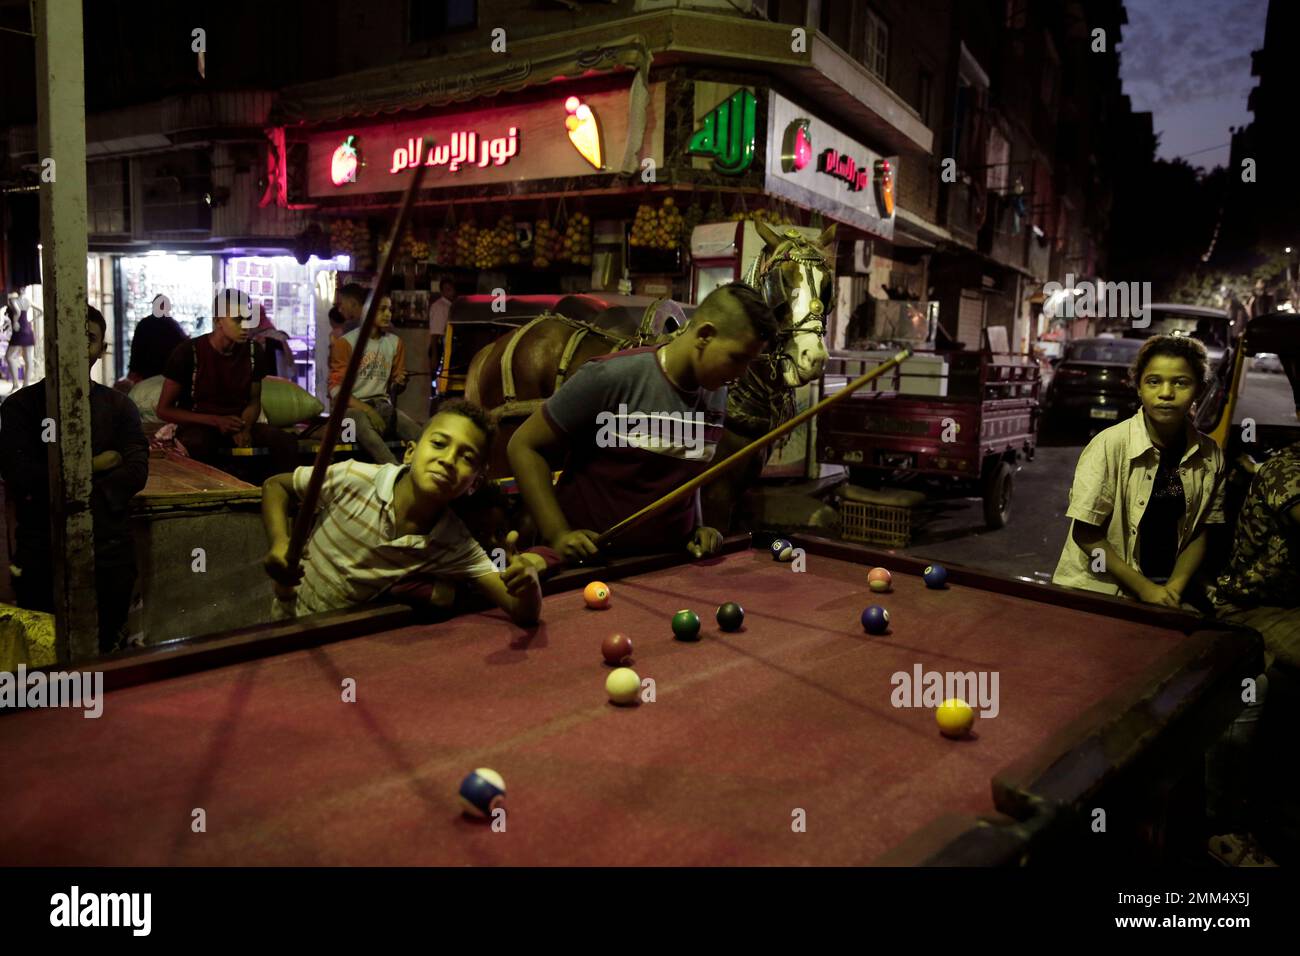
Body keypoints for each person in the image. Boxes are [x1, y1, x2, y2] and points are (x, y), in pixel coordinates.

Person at [507, 282, 778, 567]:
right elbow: (523, 446)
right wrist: (558, 534)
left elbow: (687, 468)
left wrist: (698, 526)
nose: (741, 374)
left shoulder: (716, 392)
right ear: (705, 335)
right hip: (592, 567)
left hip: (666, 566)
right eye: (737, 359)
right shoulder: (610, 377)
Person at [261, 399, 541, 626]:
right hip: (287, 621)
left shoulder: (454, 542)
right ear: (410, 452)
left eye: (466, 458)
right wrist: (280, 541)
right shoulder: (353, 477)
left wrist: (529, 587)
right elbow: (275, 486)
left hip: (346, 637)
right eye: (439, 444)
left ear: (474, 483)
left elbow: (521, 611)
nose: (447, 460)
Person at [0, 306, 149, 652]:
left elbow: (136, 471)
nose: (78, 344)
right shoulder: (21, 407)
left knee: (106, 652)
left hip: (109, 549)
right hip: (42, 550)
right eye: (70, 334)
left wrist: (66, 487)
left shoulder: (119, 406)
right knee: (43, 651)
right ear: (51, 343)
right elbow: (23, 477)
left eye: (89, 338)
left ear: (102, 349)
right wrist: (97, 464)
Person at [1052, 334, 1225, 606]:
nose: (1166, 393)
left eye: (1180, 382)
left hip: (1166, 588)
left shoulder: (1211, 454)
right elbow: (1085, 533)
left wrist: (1173, 589)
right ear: (1139, 388)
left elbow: (1201, 530)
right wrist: (1144, 590)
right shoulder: (1109, 446)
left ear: (1199, 390)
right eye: (1154, 382)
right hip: (1100, 589)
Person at [156, 289, 298, 475]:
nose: (246, 326)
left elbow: (254, 401)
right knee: (199, 443)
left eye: (249, 319)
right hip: (200, 426)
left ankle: (279, 495)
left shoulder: (254, 351)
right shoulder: (188, 352)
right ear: (218, 321)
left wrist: (245, 427)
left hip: (236, 424)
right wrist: (215, 421)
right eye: (238, 320)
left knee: (285, 442)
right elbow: (164, 409)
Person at [328, 293, 421, 464]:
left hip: (381, 406)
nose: (388, 314)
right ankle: (395, 471)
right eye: (382, 309)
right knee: (362, 425)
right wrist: (368, 410)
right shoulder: (345, 343)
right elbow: (335, 390)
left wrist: (400, 382)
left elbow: (396, 385)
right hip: (348, 411)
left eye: (390, 310)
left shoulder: (395, 343)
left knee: (419, 434)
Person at [121, 295, 189, 390]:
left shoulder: (144, 324)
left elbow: (136, 351)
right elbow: (184, 348)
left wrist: (134, 371)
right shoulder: (173, 326)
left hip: (146, 376)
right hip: (168, 376)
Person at [428, 277, 456, 389]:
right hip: (439, 348)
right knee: (439, 383)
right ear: (442, 292)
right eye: (447, 290)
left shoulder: (451, 305)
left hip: (447, 348)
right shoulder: (440, 306)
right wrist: (434, 356)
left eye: (452, 289)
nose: (451, 292)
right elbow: (435, 334)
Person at [5, 291, 36, 392]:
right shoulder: (28, 301)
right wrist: (31, 321)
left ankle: (15, 384)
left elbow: (17, 311)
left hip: (19, 329)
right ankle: (25, 386)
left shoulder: (12, 300)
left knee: (9, 357)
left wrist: (15, 321)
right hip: (28, 329)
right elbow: (41, 311)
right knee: (28, 360)